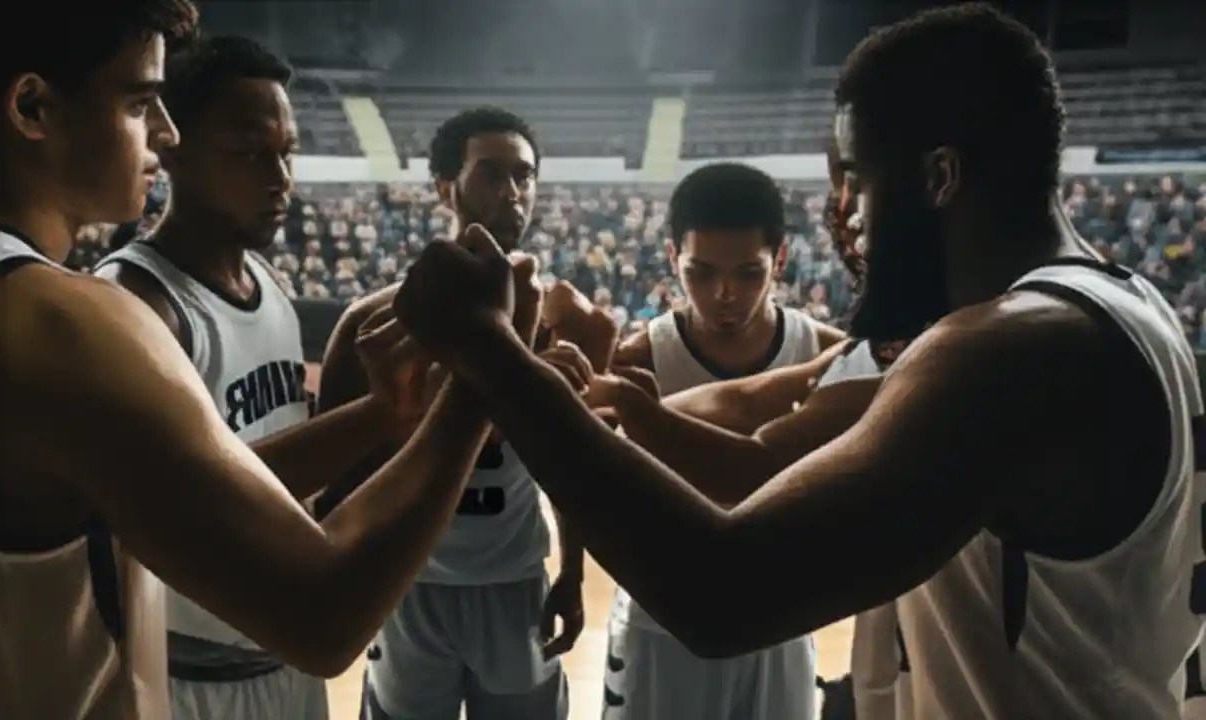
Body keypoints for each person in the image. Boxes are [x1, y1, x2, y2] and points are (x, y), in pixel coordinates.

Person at [392, 4, 1206, 717]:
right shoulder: (1123, 308)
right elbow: (748, 413)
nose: (842, 216)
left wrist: (493, 354)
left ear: (941, 178)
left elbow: (721, 595)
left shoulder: (1007, 350)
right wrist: (616, 404)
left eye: (853, 180)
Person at [0, 6, 520, 717]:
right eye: (141, 101)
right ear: (33, 107)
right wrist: (483, 376)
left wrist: (383, 416)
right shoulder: (58, 320)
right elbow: (323, 614)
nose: (165, 132)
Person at [315, 107, 615, 720]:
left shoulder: (563, 322)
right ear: (445, 186)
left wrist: (574, 572)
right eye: (492, 174)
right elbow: (336, 484)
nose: (513, 192)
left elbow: (571, 469)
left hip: (516, 579)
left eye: (525, 176)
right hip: (409, 581)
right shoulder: (375, 323)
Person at [92, 35, 332, 720]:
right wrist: (396, 413)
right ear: (172, 147)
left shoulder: (269, 283)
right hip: (190, 677)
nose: (280, 176)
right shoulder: (137, 303)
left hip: (286, 653)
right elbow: (211, 508)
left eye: (286, 152)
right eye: (250, 153)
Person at [596, 162, 843, 720]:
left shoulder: (826, 352)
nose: (724, 294)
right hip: (662, 622)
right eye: (701, 273)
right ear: (671, 258)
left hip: (781, 621)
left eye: (748, 273)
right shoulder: (636, 363)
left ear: (780, 260)